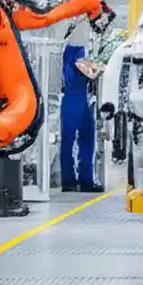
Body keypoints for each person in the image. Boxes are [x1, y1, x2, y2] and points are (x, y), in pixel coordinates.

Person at [60, 37, 102, 193]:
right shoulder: (72, 51)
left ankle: (85, 180)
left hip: (82, 98)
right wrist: (99, 68)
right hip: (72, 98)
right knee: (69, 139)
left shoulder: (81, 48)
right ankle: (69, 181)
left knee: (87, 137)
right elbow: (87, 71)